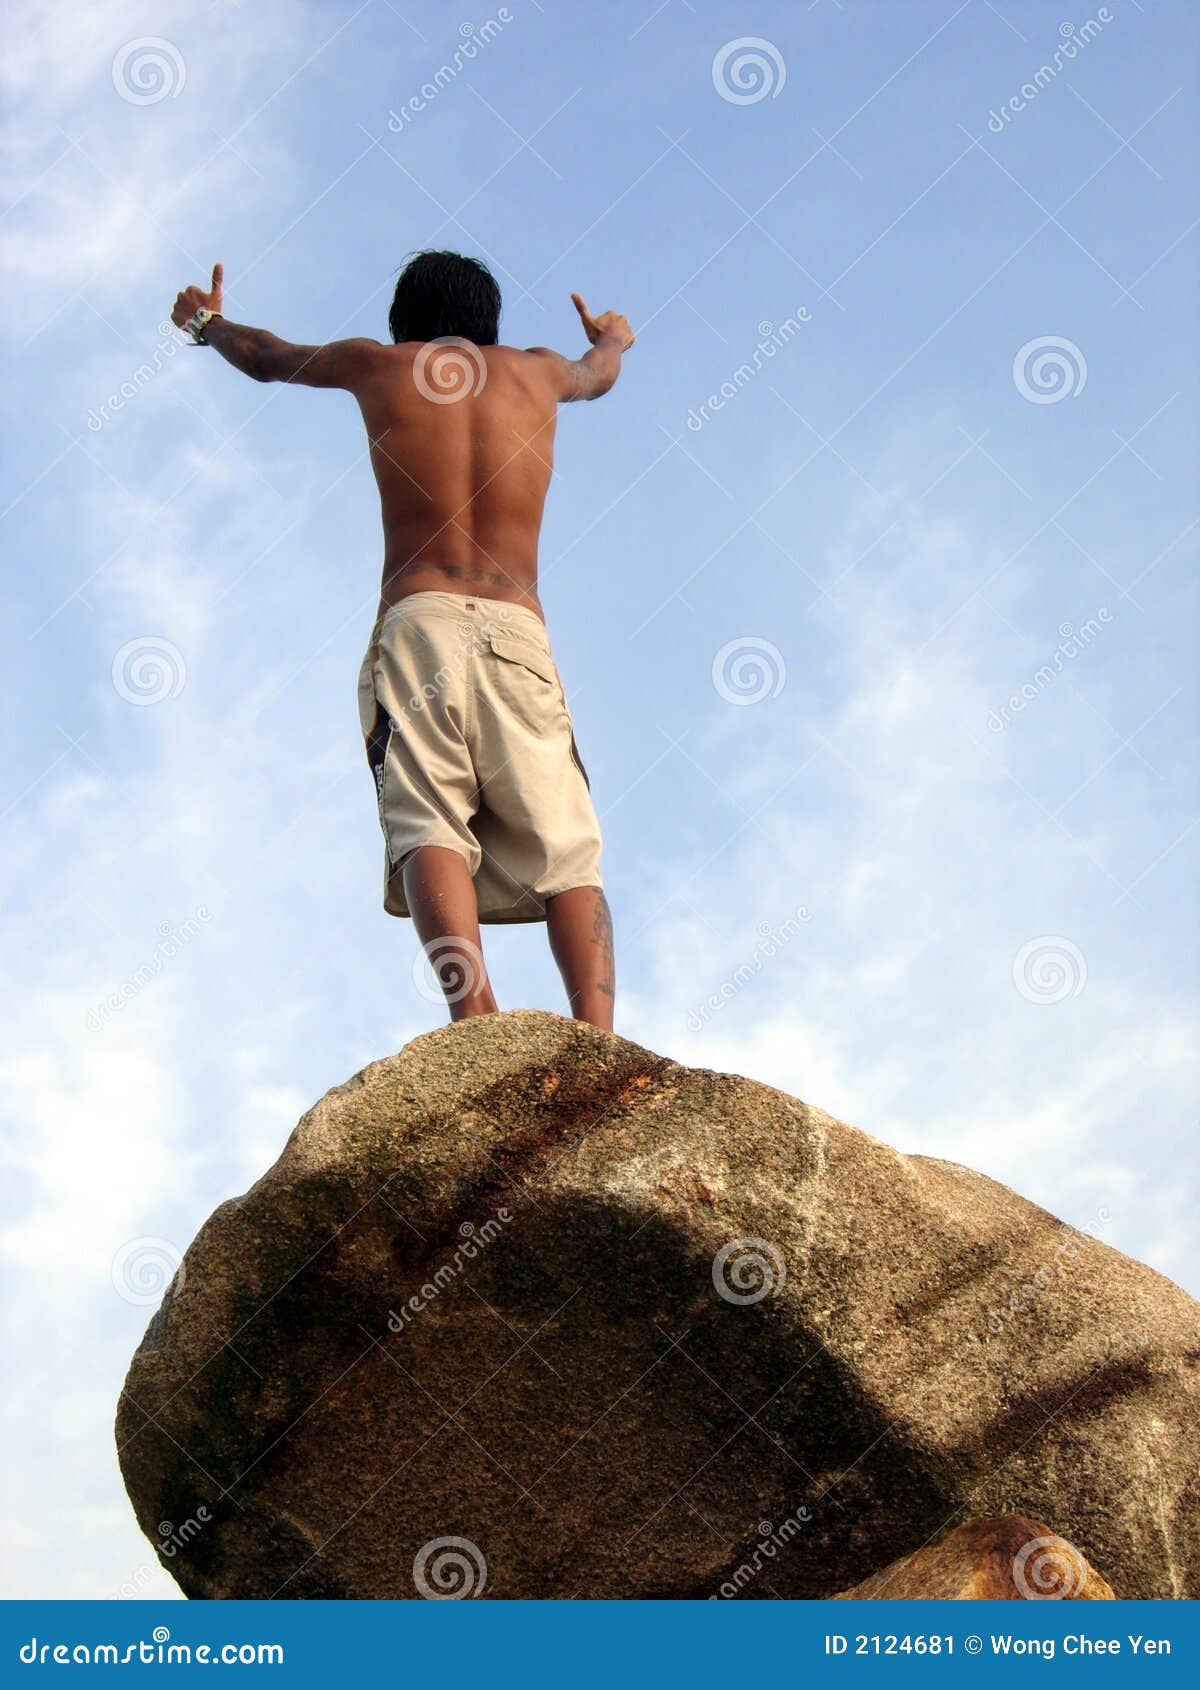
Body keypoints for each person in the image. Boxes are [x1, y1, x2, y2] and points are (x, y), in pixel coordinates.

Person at [170, 251, 634, 1030]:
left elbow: (266, 356)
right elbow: (599, 375)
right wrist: (614, 337)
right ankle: (598, 1036)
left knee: (428, 816)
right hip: (517, 625)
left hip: (420, 619)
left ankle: (474, 1021)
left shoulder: (381, 365)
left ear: (402, 320)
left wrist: (205, 322)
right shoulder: (539, 373)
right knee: (565, 838)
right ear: (489, 320)